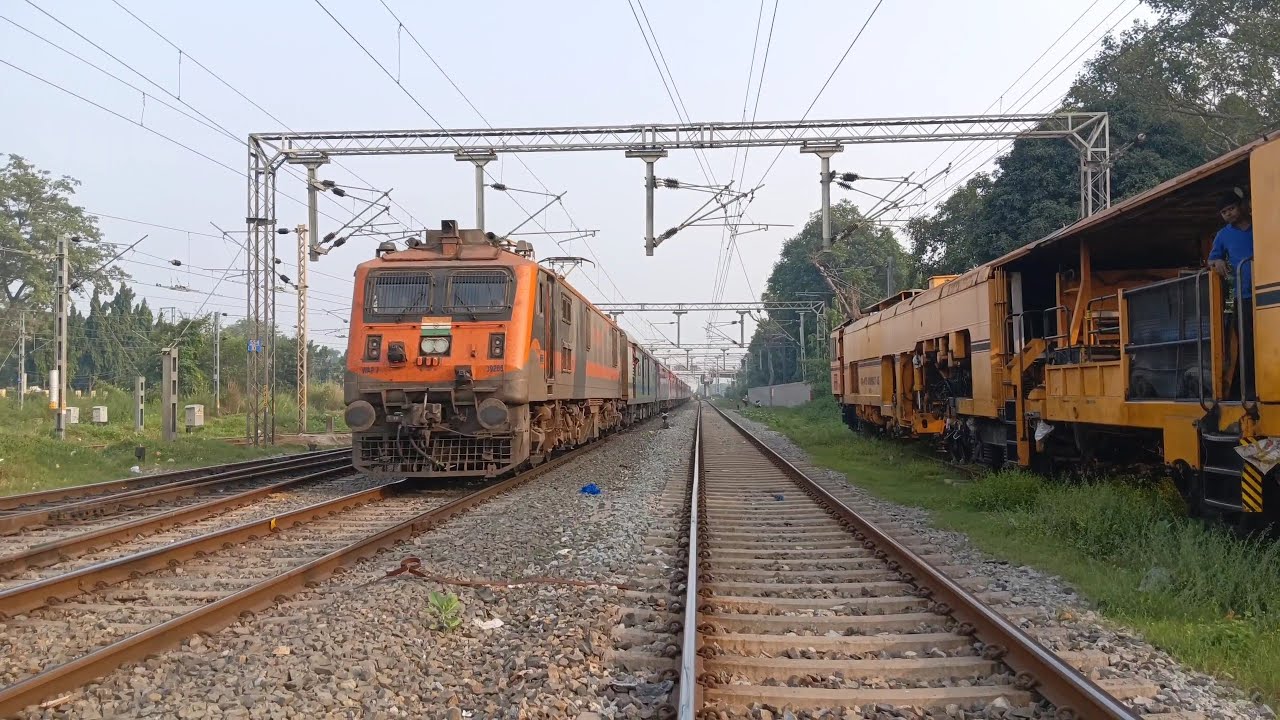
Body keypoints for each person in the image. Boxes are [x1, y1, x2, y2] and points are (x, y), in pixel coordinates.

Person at [1208, 188, 1255, 399]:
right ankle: (1246, 390)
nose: (1229, 214)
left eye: (1232, 208)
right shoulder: (1222, 235)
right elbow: (1211, 260)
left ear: (1241, 207)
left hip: (1264, 292)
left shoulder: (1260, 223)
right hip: (1237, 296)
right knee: (1244, 344)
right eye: (1224, 211)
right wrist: (1217, 261)